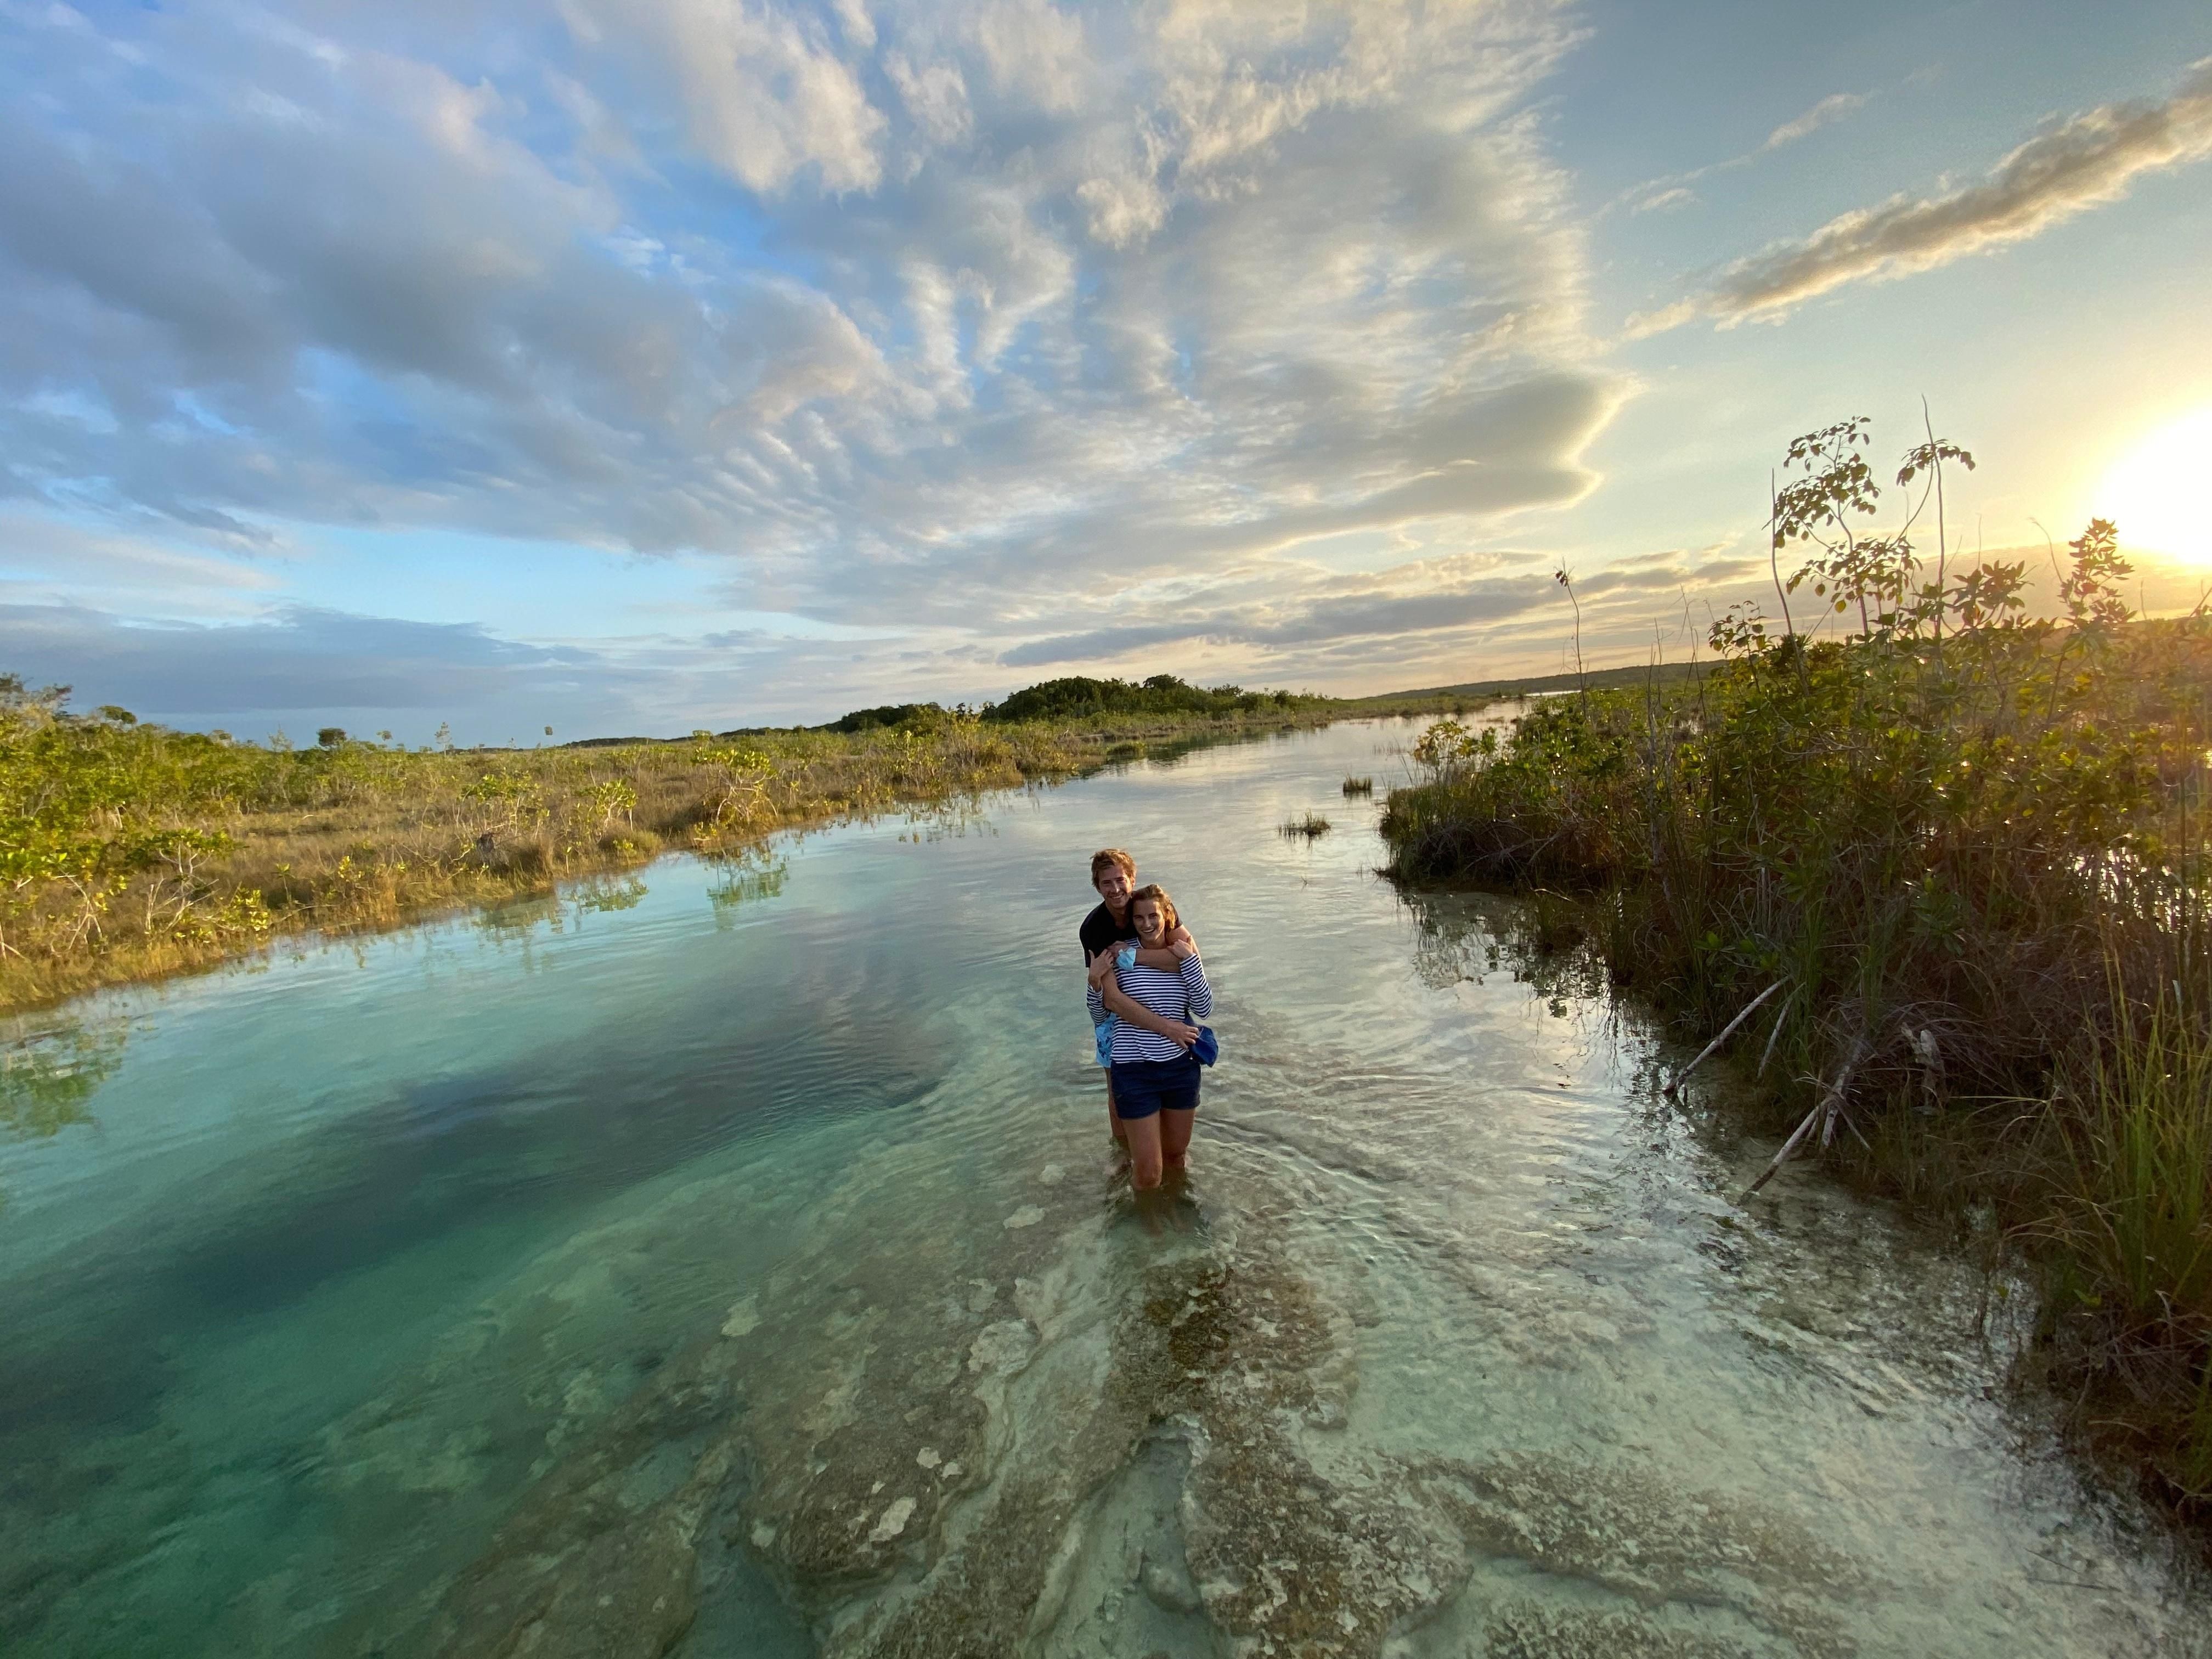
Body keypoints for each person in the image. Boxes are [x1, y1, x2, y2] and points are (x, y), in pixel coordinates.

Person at [1087, 883, 1211, 1191]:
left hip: (1181, 1069)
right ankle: (1148, 1228)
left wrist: (1191, 963)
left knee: (1176, 1157)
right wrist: (1094, 982)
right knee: (1148, 1172)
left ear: (1166, 915)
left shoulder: (1182, 954)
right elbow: (1101, 1015)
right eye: (1139, 918)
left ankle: (1177, 1214)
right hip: (1134, 1070)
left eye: (1153, 916)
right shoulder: (1116, 954)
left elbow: (1204, 1008)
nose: (1147, 924)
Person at [1080, 850, 1198, 1147]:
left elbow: (1190, 957)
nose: (1116, 889)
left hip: (1160, 1002)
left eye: (1121, 880)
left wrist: (1131, 955)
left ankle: (1157, 1150)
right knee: (1117, 1091)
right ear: (1097, 886)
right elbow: (1113, 1001)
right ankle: (1123, 1152)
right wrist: (1167, 1028)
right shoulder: (1094, 928)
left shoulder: (1150, 907)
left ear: (1133, 878)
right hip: (1116, 1017)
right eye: (1107, 883)